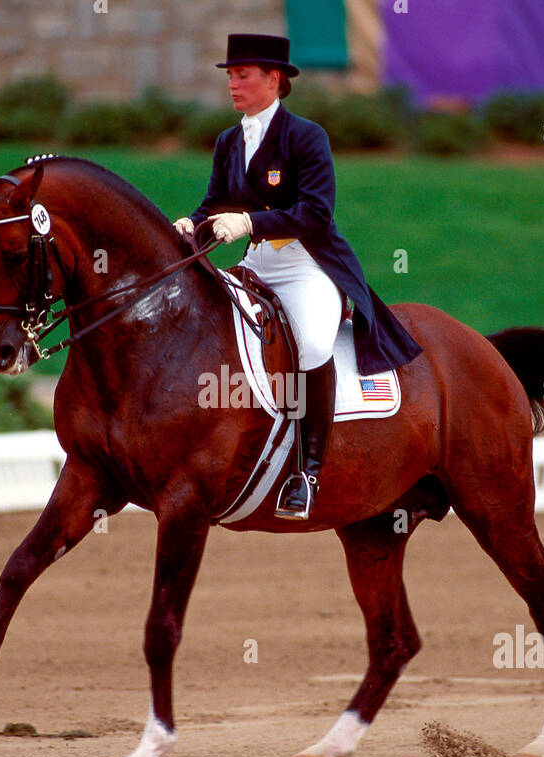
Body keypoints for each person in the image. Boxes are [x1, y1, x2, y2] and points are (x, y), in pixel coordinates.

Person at [174, 33, 422, 521]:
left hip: (309, 263)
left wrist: (250, 222)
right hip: (260, 263)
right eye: (229, 76)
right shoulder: (229, 141)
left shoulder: (306, 137)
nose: (233, 85)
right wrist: (191, 223)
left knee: (311, 343)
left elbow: (315, 211)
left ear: (275, 79)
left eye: (242, 75)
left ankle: (308, 472)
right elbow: (216, 202)